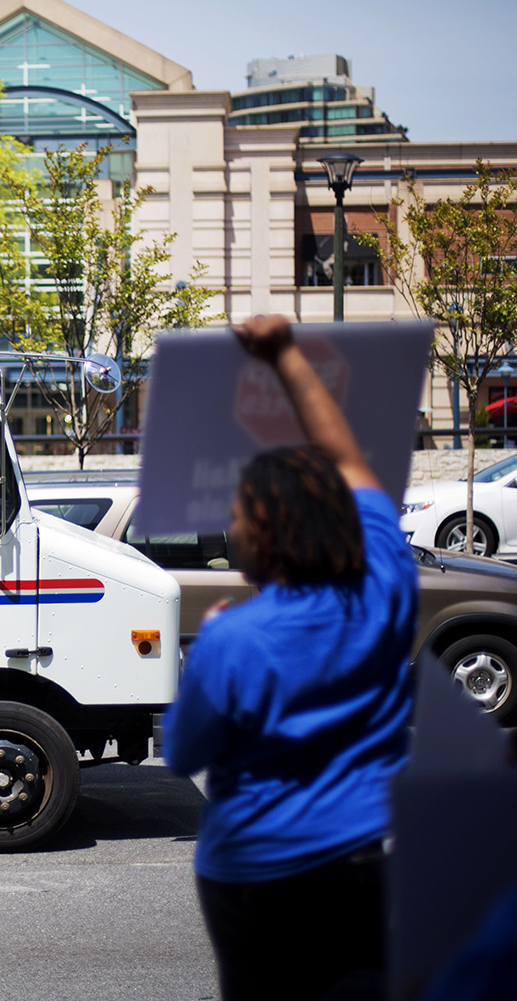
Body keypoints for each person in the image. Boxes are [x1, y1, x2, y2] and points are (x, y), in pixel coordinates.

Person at [164, 314, 419, 1001]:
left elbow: (183, 754)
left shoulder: (231, 638)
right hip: (365, 857)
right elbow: (346, 460)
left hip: (253, 870)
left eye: (239, 511)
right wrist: (285, 356)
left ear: (268, 531)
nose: (230, 523)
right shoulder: (386, 582)